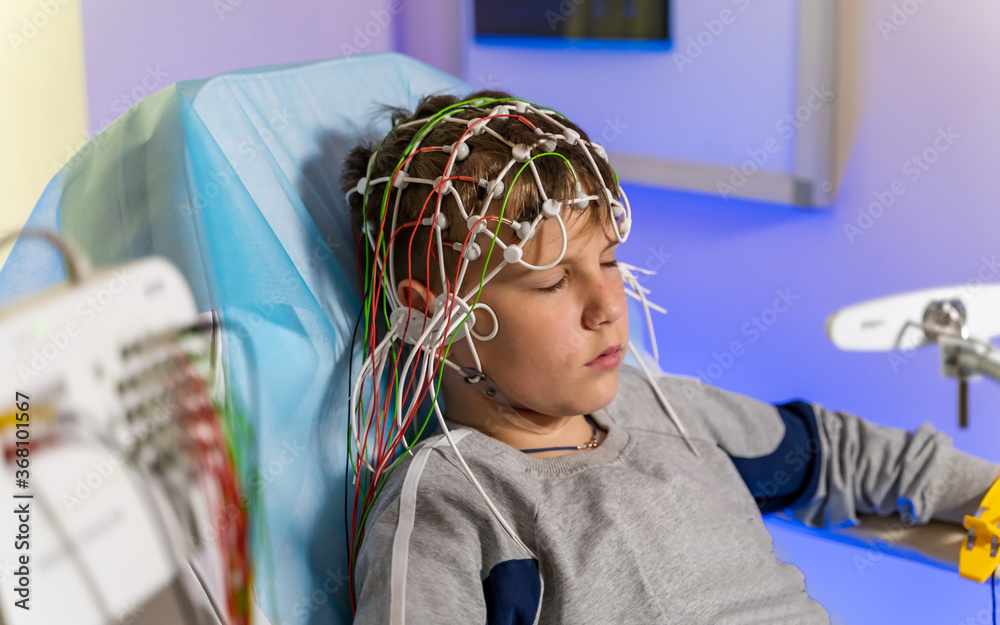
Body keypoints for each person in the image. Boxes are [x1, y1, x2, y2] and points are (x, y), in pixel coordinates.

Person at [339, 90, 1000, 624]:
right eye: (551, 280)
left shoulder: (665, 409)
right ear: (435, 315)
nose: (606, 303)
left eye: (608, 260)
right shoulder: (460, 498)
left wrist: (987, 493)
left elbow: (841, 453)